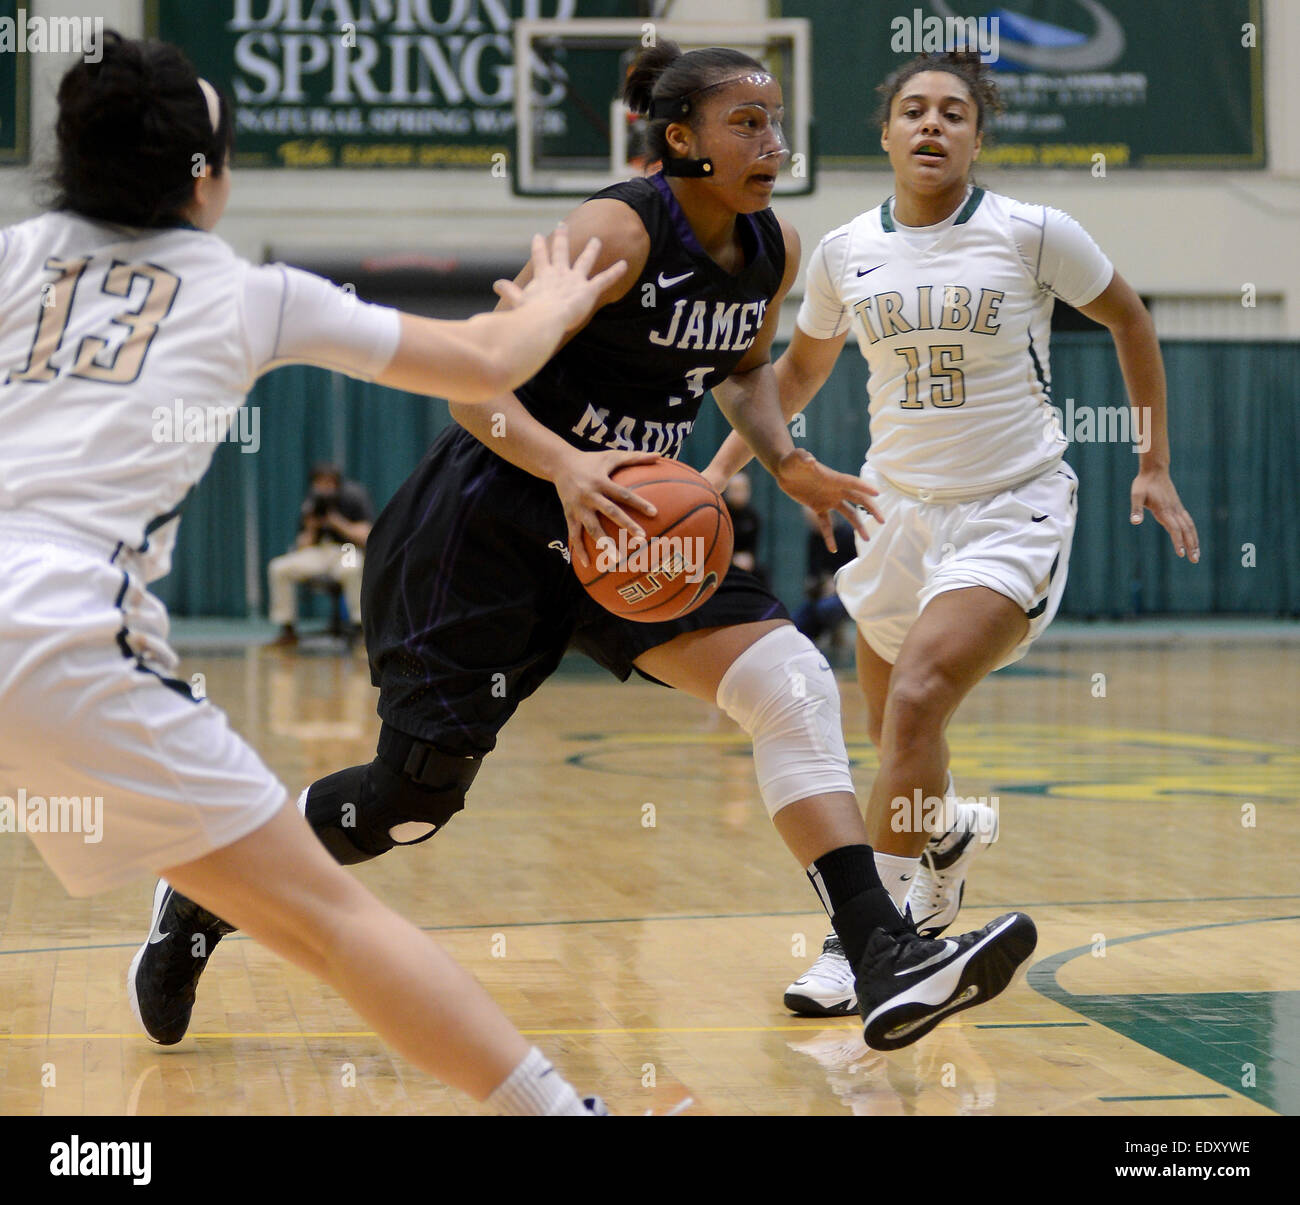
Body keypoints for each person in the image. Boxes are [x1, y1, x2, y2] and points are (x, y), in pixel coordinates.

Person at [139, 40, 1039, 1057]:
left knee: (790, 679)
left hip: (634, 534)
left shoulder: (774, 246)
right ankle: (206, 889)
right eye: (747, 124)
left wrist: (781, 458)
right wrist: (568, 465)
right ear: (679, 139)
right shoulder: (614, 230)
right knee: (411, 802)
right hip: (489, 526)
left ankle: (879, 947)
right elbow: (473, 383)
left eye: (776, 122)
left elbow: (741, 372)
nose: (772, 144)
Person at [0, 31, 632, 1114]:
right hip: (58, 631)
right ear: (209, 178)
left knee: (232, 878)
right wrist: (561, 301)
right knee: (331, 923)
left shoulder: (11, 253)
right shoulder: (254, 290)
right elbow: (485, 360)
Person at [706, 50, 1200, 1017]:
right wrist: (719, 473)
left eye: (955, 114)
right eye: (914, 111)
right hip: (894, 512)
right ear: (886, 134)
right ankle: (941, 849)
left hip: (1010, 507)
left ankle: (871, 946)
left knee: (922, 696)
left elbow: (1131, 318)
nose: (933, 126)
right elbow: (795, 378)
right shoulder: (847, 251)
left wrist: (1152, 462)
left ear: (978, 137)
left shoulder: (1032, 233)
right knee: (896, 735)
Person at [267, 462, 374, 646]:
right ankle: (287, 629)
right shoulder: (312, 502)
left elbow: (366, 535)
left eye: (329, 483)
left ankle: (359, 628)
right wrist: (311, 527)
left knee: (352, 568)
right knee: (279, 568)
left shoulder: (353, 497)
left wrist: (337, 523)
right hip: (319, 551)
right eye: (320, 483)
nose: (324, 488)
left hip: (346, 550)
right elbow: (302, 544)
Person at [721, 469, 766, 584]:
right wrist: (732, 560)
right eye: (735, 490)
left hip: (747, 565)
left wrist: (749, 559)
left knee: (762, 574)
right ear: (727, 491)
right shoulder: (721, 515)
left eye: (743, 489)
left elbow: (753, 547)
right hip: (723, 565)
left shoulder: (753, 517)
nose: (739, 494)